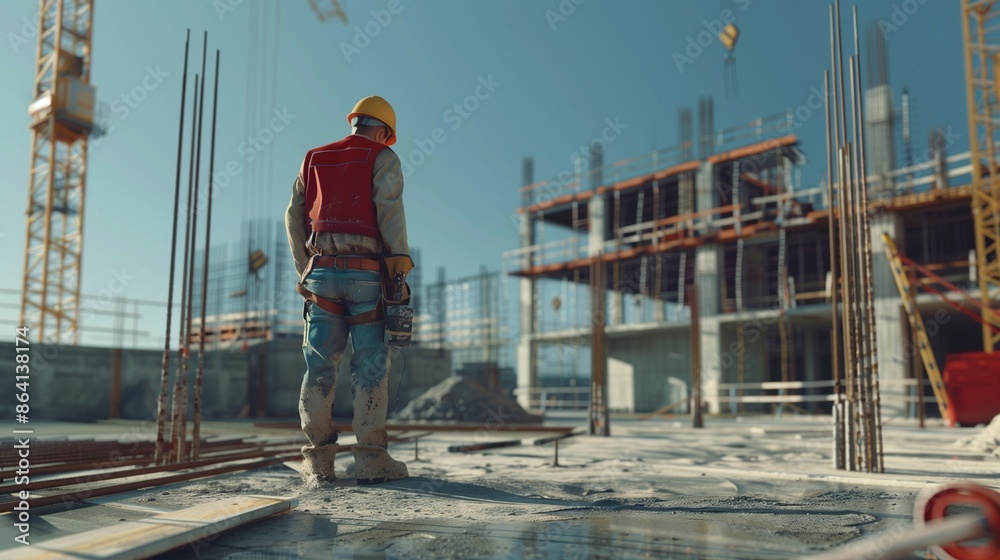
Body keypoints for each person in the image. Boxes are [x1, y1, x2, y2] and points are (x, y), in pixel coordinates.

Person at [285, 95, 411, 485]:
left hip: (321, 273)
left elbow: (293, 216)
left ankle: (318, 462)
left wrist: (304, 268)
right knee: (370, 366)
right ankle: (372, 460)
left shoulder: (313, 158)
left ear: (354, 121)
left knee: (319, 367)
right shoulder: (382, 158)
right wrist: (399, 269)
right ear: (384, 132)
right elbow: (389, 211)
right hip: (367, 275)